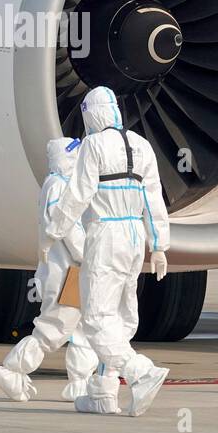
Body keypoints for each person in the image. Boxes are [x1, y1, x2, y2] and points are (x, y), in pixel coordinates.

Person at [47, 86, 170, 416]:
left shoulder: (93, 145)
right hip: (134, 240)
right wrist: (158, 246)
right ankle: (103, 392)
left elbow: (77, 194)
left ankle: (140, 372)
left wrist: (53, 230)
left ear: (92, 115)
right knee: (122, 315)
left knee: (96, 317)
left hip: (105, 234)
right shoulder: (142, 146)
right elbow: (153, 199)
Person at [0, 136, 97, 402]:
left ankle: (80, 383)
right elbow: (67, 231)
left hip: (72, 271)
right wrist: (90, 257)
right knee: (55, 327)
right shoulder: (57, 187)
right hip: (66, 272)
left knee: (82, 327)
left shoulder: (59, 185)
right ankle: (13, 369)